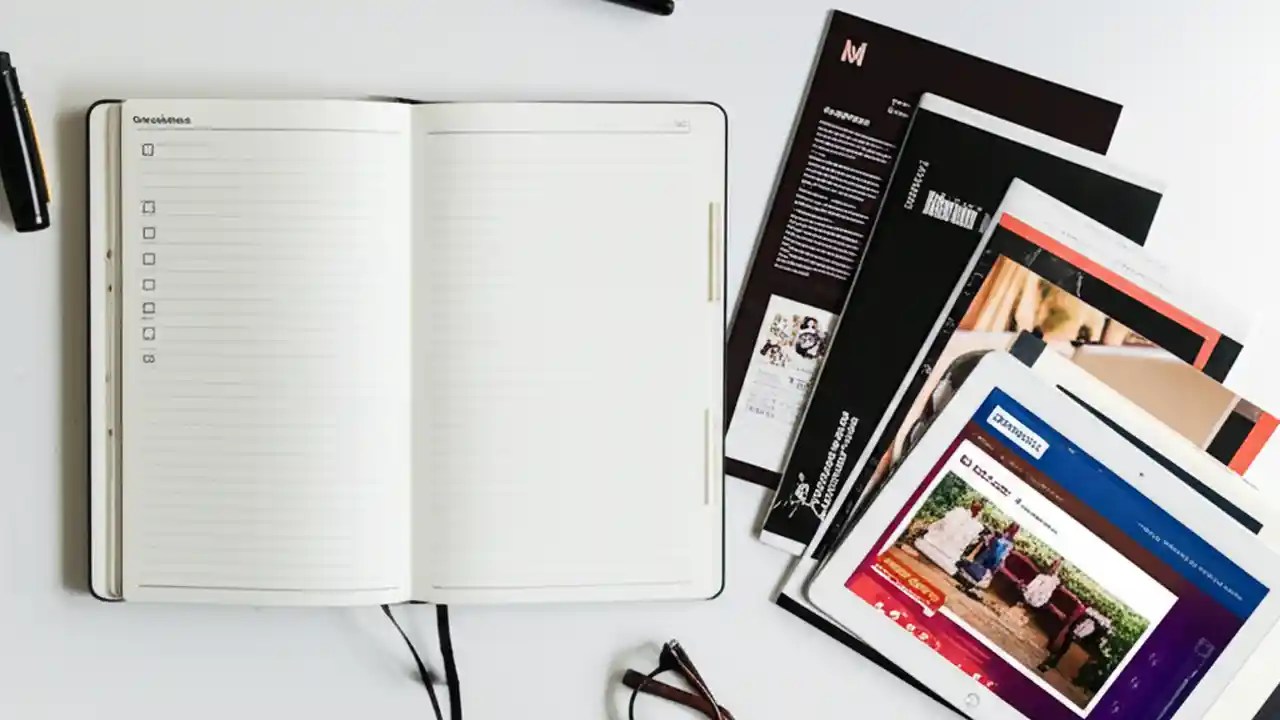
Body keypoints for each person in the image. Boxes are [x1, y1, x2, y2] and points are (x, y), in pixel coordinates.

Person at [914, 500, 986, 574]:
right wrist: (930, 528)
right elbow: (943, 522)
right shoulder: (959, 512)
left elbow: (971, 541)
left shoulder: (976, 526)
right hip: (936, 544)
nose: (976, 510)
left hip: (948, 553)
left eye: (977, 508)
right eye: (975, 507)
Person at [960, 523, 1020, 589]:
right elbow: (986, 543)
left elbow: (1001, 558)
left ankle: (968, 585)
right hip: (986, 558)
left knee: (979, 574)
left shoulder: (1008, 543)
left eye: (1014, 531)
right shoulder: (999, 536)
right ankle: (967, 584)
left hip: (990, 561)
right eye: (1013, 530)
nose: (1012, 532)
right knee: (975, 571)